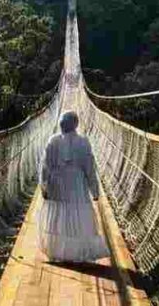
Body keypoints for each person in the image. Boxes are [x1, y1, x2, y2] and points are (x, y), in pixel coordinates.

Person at [37, 111, 110, 263]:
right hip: (77, 184)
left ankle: (59, 252)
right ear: (76, 125)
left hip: (56, 184)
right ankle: (77, 253)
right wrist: (95, 191)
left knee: (59, 216)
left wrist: (43, 186)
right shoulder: (83, 142)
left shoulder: (53, 141)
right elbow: (90, 168)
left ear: (61, 125)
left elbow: (45, 167)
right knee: (77, 215)